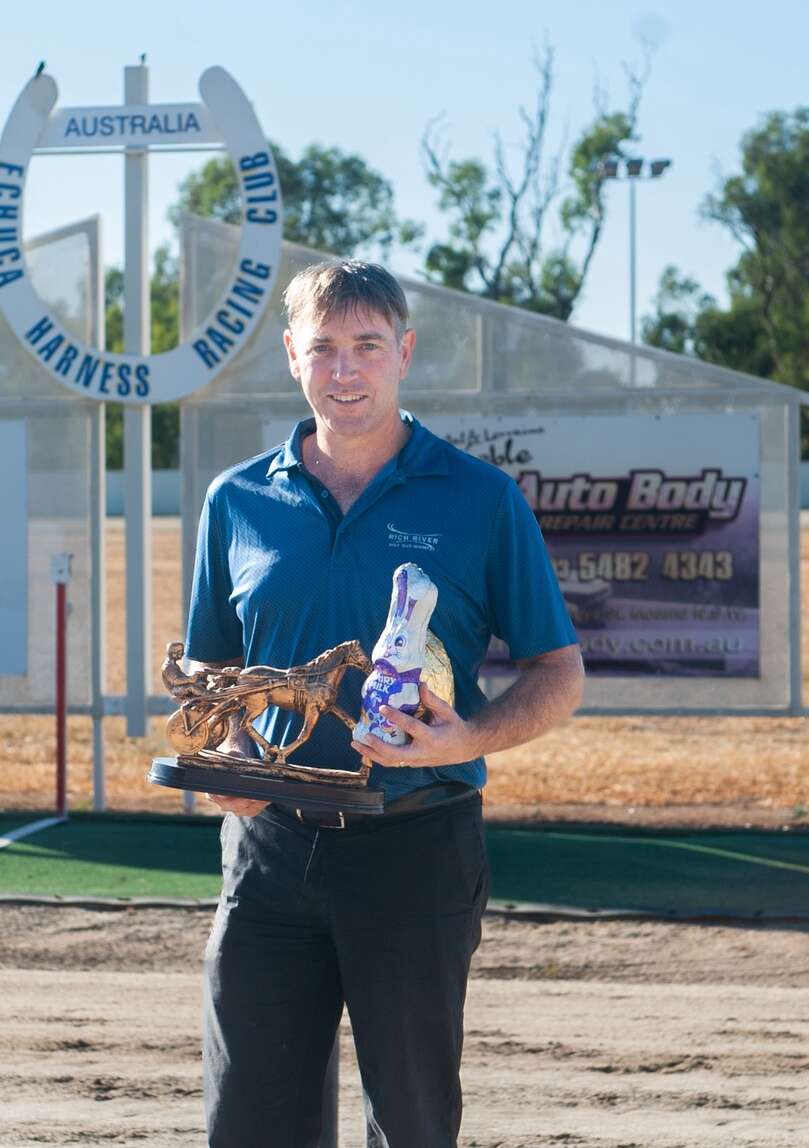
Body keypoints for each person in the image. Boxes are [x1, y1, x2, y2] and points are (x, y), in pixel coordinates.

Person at [184, 259, 585, 1146]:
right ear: (292, 356)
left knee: (409, 1125)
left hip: (416, 845)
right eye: (323, 347)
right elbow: (211, 677)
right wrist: (227, 766)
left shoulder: (479, 500)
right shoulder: (238, 501)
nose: (346, 368)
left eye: (367, 345)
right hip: (269, 853)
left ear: (404, 353)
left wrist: (465, 738)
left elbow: (559, 670)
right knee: (251, 1123)